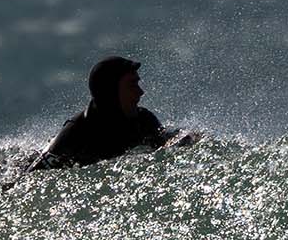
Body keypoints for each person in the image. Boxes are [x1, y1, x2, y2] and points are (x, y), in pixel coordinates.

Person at [32, 55, 199, 170]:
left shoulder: (144, 120)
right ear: (110, 92)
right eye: (132, 85)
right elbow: (34, 175)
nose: (140, 92)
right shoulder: (77, 132)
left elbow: (165, 149)